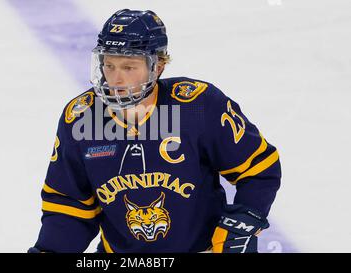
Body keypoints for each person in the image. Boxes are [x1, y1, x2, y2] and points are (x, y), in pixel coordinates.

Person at [29, 9, 281, 253]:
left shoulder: (198, 107)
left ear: (158, 66)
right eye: (109, 65)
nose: (115, 79)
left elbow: (259, 169)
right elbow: (69, 205)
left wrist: (242, 223)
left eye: (128, 67)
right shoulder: (82, 117)